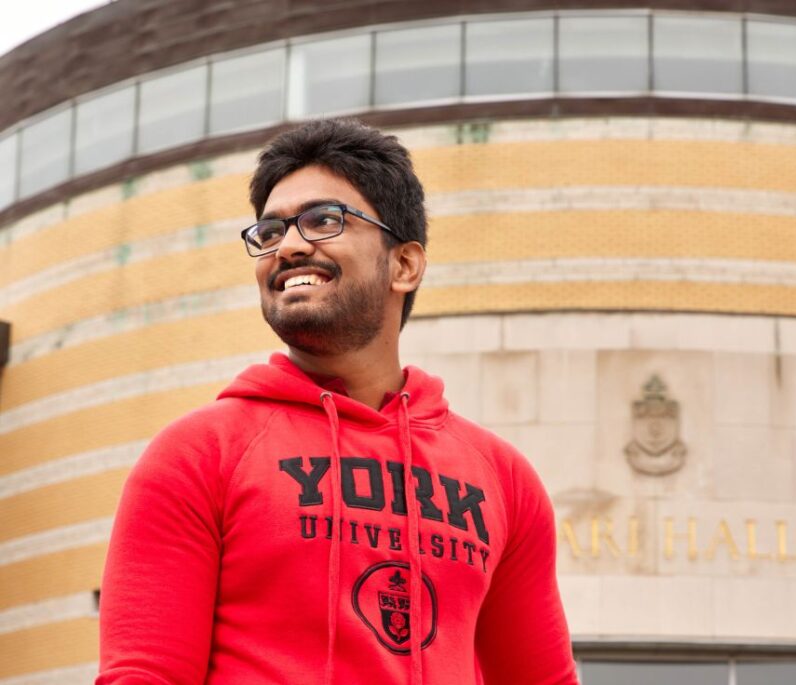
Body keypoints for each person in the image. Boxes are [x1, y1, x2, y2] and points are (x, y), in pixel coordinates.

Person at [96, 119, 578, 685]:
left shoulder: (503, 478)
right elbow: (144, 675)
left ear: (404, 264)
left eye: (325, 221)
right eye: (270, 232)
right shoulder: (198, 454)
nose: (291, 245)